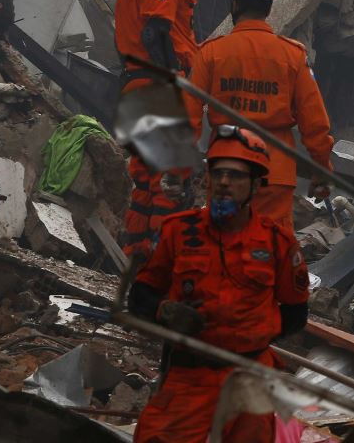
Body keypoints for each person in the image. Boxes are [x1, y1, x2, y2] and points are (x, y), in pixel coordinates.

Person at [129, 126, 309, 443]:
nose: (224, 182)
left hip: (250, 379)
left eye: (236, 175)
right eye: (218, 173)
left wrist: (250, 333)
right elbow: (139, 297)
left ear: (256, 184)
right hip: (190, 374)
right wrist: (166, 313)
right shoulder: (177, 231)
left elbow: (296, 314)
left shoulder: (278, 243)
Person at [184, 0, 335, 232]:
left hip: (227, 170)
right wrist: (321, 170)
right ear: (269, 7)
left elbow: (188, 117)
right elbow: (315, 123)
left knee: (224, 243)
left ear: (234, 3)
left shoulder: (210, 53)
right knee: (269, 246)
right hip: (274, 173)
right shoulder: (293, 56)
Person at [116, 0, 212, 261]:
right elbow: (155, 31)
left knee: (146, 179)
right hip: (159, 84)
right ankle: (160, 262)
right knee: (170, 181)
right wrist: (171, 80)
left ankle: (135, 258)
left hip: (138, 83)